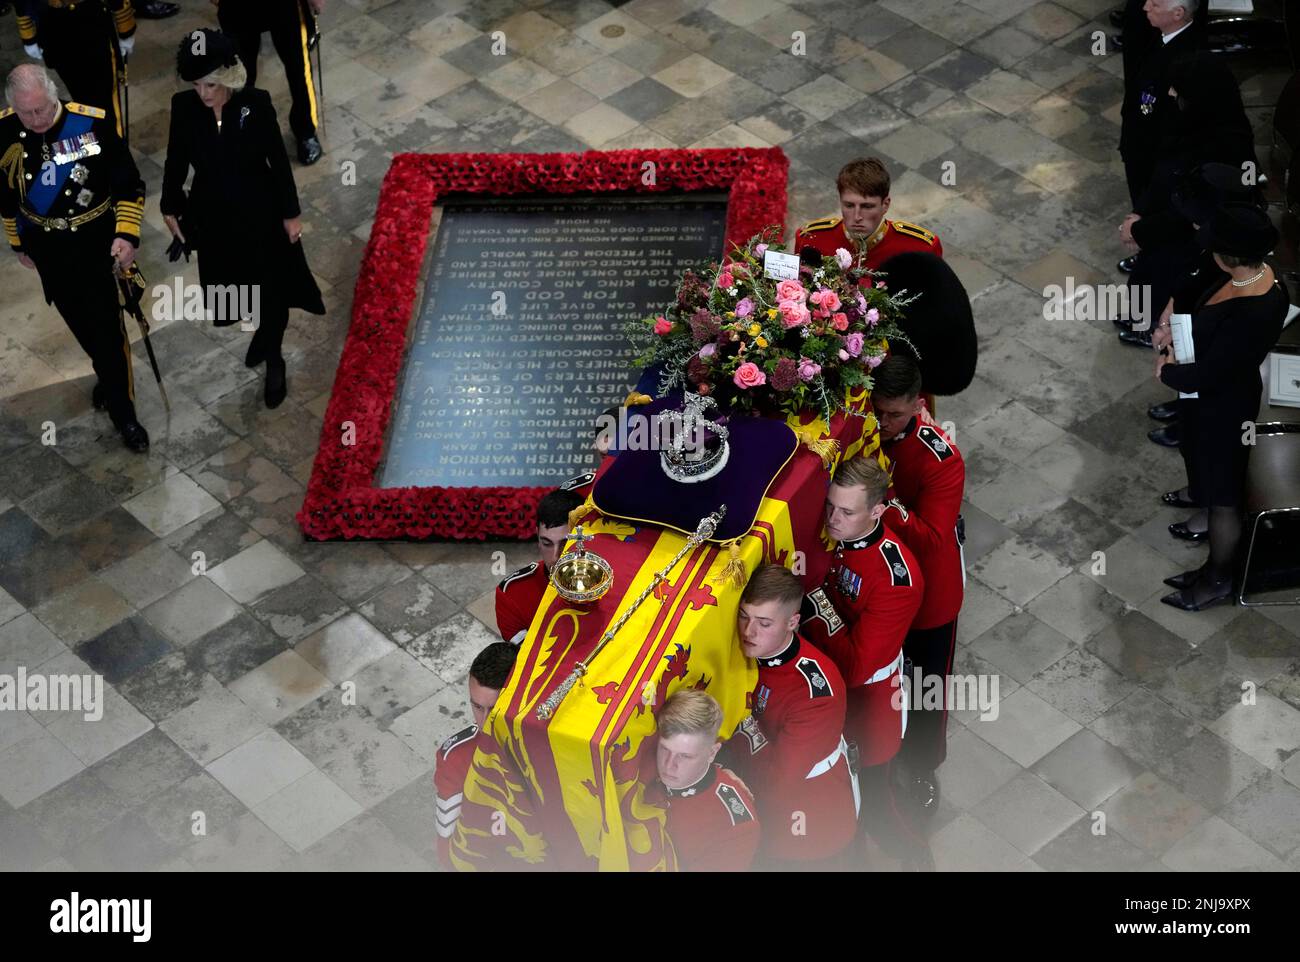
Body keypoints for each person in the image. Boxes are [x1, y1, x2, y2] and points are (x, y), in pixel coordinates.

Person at [162, 28, 324, 409]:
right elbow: (175, 161)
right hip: (213, 217)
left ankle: (274, 355)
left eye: (212, 85)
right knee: (236, 289)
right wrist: (169, 205)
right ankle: (264, 333)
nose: (204, 94)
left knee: (273, 286)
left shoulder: (256, 104)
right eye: (199, 84)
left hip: (261, 211)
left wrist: (291, 213)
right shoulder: (183, 108)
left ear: (229, 79)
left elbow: (279, 163)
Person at [1, 64, 148, 451]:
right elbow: (5, 197)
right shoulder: (3, 132)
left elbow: (129, 184)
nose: (37, 120)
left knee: (108, 333)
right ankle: (105, 370)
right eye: (26, 113)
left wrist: (126, 234)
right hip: (49, 252)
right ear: (13, 108)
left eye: (43, 110)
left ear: (53, 95)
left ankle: (124, 413)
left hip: (96, 245)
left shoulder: (88, 124)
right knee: (81, 325)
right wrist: (18, 243)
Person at [1155, 203, 1288, 611]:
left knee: (1224, 496)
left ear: (1224, 256)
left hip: (1224, 409)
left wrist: (1166, 372)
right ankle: (1212, 569)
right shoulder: (1258, 277)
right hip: (1214, 399)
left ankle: (1217, 578)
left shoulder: (1254, 309)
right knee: (1213, 486)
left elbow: (1208, 373)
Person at [801, 456, 926, 866]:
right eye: (831, 507)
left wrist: (816, 602)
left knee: (876, 809)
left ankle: (919, 863)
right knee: (844, 808)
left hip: (868, 708)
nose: (833, 520)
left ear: (877, 511)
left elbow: (857, 668)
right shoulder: (841, 535)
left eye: (847, 512)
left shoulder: (896, 579)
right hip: (835, 698)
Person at [872, 355, 965, 818]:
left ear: (918, 405)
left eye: (895, 415)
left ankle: (923, 765)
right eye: (878, 412)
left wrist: (882, 499)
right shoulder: (865, 429)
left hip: (931, 593)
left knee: (927, 685)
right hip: (878, 584)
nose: (884, 424)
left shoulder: (941, 459)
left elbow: (932, 538)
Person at [1118, 52, 1255, 351]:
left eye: (1177, 90)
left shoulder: (1227, 146)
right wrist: (1139, 213)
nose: (1170, 93)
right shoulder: (1192, 120)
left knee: (1167, 275)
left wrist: (1140, 230)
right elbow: (1166, 167)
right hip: (1167, 213)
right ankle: (1137, 315)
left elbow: (1194, 214)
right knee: (1149, 268)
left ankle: (1150, 326)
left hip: (1190, 234)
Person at [730, 565, 858, 870]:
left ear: (793, 622)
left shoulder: (816, 693)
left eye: (764, 623)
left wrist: (737, 719)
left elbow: (778, 783)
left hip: (805, 823)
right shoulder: (749, 648)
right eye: (744, 616)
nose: (749, 632)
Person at [1117, 0, 1203, 271]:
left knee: (1154, 211)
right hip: (1139, 144)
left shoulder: (1185, 60)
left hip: (1155, 156)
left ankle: (1152, 256)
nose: (1145, 7)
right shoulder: (1161, 38)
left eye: (1155, 4)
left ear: (1178, 13)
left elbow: (1173, 128)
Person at [433, 641, 518, 871]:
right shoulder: (456, 759)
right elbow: (448, 846)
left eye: (494, 709)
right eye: (477, 707)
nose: (484, 721)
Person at [654, 689, 760, 872]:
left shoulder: (738, 827)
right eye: (664, 749)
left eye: (685, 756)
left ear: (712, 752)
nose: (669, 766)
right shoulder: (646, 764)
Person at [212, 0, 325, 165]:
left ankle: (306, 130)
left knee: (298, 67)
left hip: (284, 6)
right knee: (238, 75)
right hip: (237, 8)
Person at [12, 0, 135, 139]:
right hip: (53, 25)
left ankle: (114, 151)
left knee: (105, 104)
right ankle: (98, 147)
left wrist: (125, 26)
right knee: (81, 99)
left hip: (91, 24)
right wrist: (28, 31)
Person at [795, 157, 942, 272]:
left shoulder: (921, 248)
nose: (857, 216)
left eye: (867, 206)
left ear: (885, 205)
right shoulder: (811, 238)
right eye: (849, 205)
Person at [494, 487, 584, 644]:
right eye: (547, 543)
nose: (555, 557)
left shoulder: (615, 578)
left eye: (566, 544)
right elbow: (525, 662)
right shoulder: (513, 595)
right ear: (537, 536)